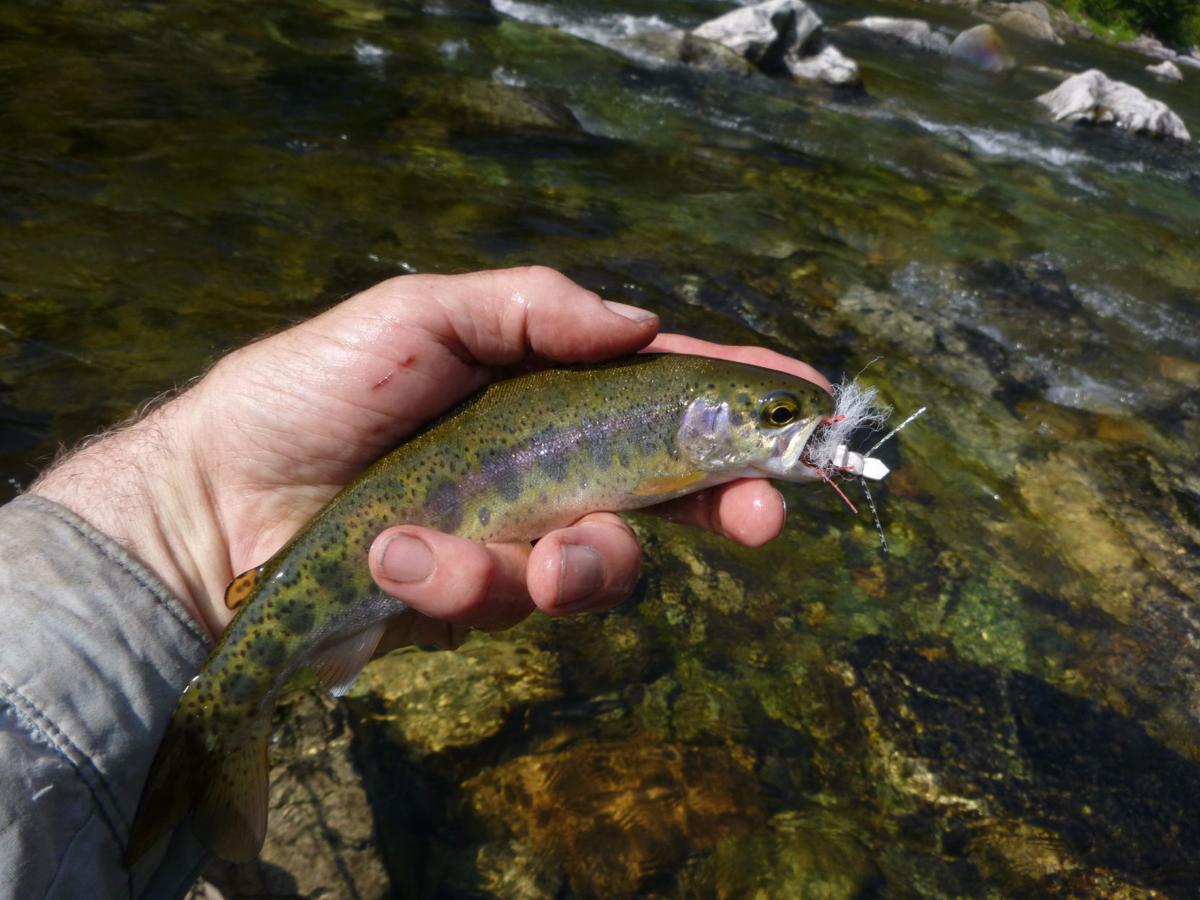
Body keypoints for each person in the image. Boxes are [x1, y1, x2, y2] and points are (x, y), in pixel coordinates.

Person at [0, 267, 829, 899]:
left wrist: (177, 522)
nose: (785, 430)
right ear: (702, 425)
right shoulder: (675, 427)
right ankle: (219, 722)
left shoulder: (676, 416)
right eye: (777, 420)